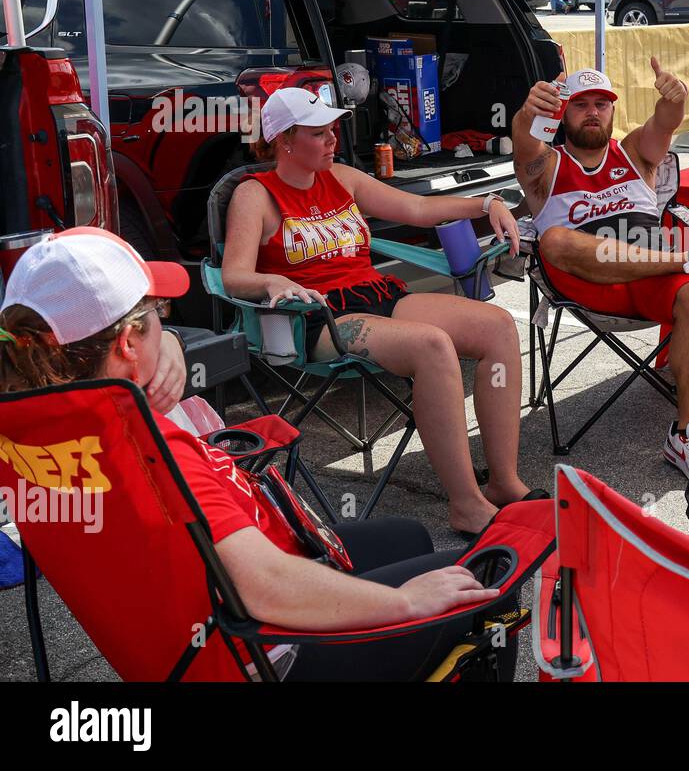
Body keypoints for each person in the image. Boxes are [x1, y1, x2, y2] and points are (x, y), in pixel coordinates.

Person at [0, 227, 517, 681]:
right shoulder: (157, 453)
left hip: (179, 644)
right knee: (492, 575)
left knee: (409, 535)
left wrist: (170, 346)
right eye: (161, 313)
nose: (170, 324)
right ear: (129, 344)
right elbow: (262, 587)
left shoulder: (33, 431)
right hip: (268, 652)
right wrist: (407, 602)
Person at [223, 86, 528, 536]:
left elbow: (419, 208)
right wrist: (270, 281)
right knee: (431, 345)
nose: (333, 140)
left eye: (333, 130)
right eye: (319, 133)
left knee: (498, 327)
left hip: (377, 295)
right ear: (284, 140)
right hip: (319, 318)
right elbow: (231, 276)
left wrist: (487, 203)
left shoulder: (342, 178)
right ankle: (466, 504)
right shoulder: (255, 195)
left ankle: (503, 482)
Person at [511, 64, 689, 477]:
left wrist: (674, 99)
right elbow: (523, 141)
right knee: (555, 240)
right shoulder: (546, 166)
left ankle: (687, 434)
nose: (592, 112)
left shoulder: (634, 151)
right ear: (563, 114)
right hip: (588, 283)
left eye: (601, 104)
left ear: (613, 112)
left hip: (651, 276)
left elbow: (665, 122)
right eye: (580, 104)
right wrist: (526, 114)